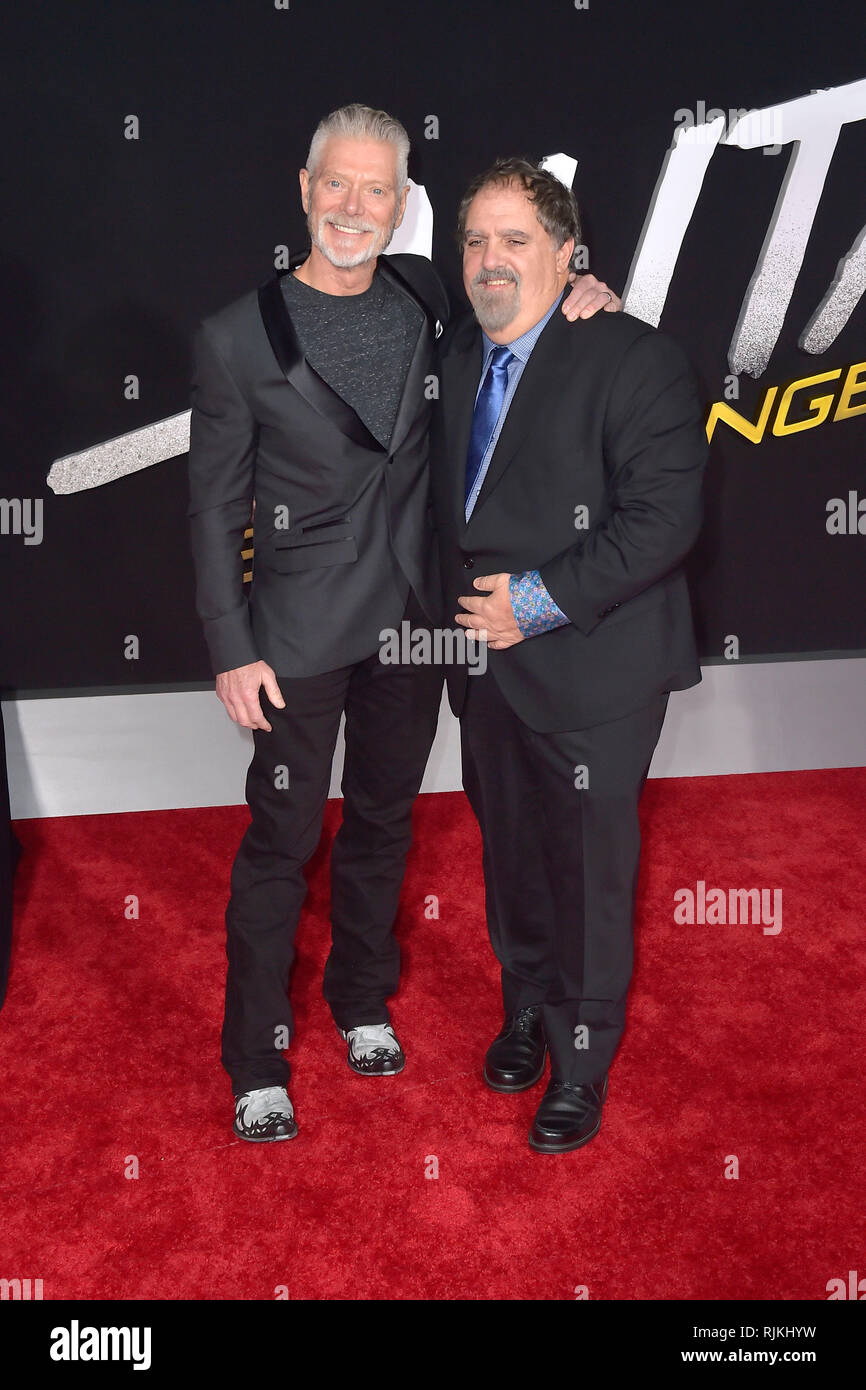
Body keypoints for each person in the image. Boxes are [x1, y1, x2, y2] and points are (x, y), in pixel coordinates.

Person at [188, 107, 619, 1143]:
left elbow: (513, 318)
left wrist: (582, 291)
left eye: (374, 190)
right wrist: (229, 644)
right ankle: (256, 1054)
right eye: (334, 186)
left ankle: (360, 996)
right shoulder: (234, 336)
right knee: (282, 840)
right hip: (291, 636)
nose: (351, 207)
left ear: (399, 204)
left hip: (414, 628)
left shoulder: (427, 294)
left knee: (384, 822)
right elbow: (210, 507)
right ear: (304, 190)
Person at [431, 158, 707, 1153]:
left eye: (513, 240)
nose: (489, 260)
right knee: (510, 857)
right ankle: (528, 1011)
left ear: (565, 253)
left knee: (587, 871)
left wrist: (533, 605)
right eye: (474, 240)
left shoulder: (632, 357)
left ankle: (580, 1062)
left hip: (592, 667)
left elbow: (662, 518)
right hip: (485, 670)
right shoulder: (460, 350)